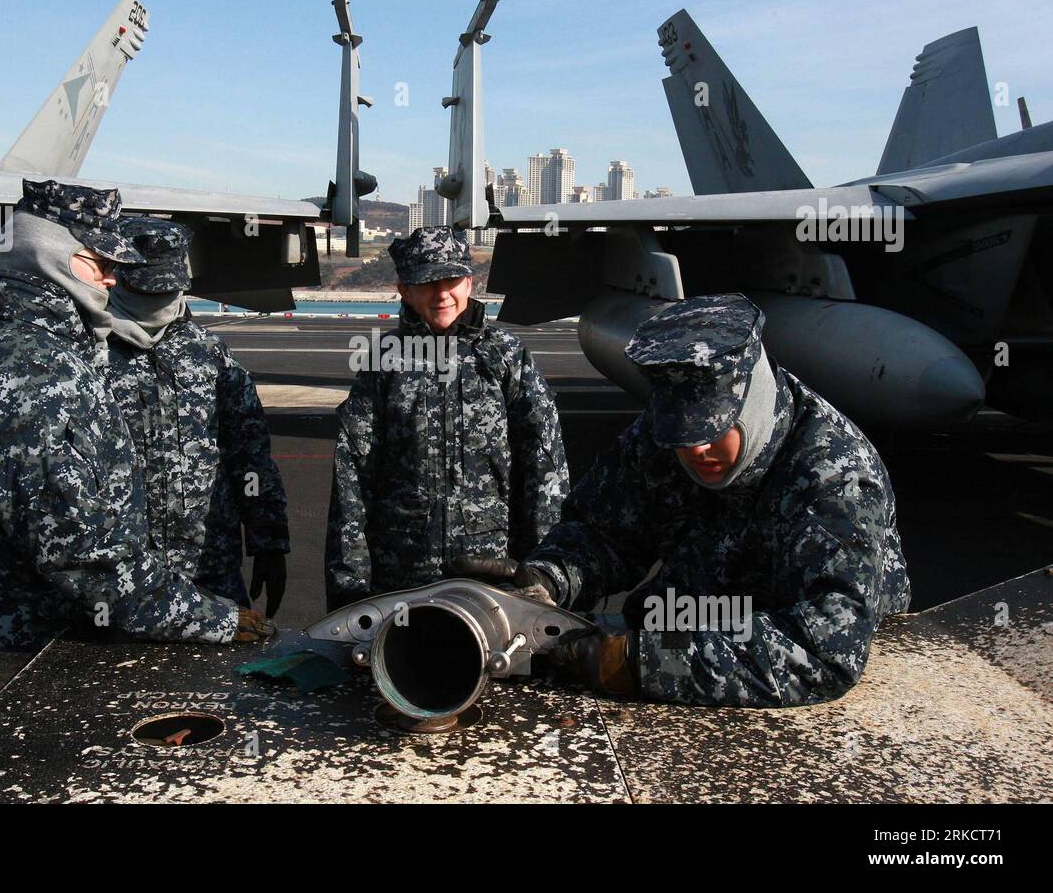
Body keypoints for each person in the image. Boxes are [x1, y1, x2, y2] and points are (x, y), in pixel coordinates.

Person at [461, 293, 911, 707]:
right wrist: (547, 579)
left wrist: (634, 663)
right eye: (678, 434)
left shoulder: (835, 475)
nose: (693, 451)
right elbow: (605, 532)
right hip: (683, 621)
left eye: (709, 431)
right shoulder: (668, 436)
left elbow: (824, 652)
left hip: (772, 664)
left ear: (753, 401)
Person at [0, 179, 273, 651]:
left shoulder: (35, 346)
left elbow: (248, 450)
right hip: (40, 658)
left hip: (59, 641)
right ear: (48, 255)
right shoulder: (34, 368)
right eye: (98, 264)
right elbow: (75, 549)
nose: (111, 279)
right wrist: (212, 619)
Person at [324, 225, 570, 610]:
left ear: (470, 282)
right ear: (404, 290)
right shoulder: (383, 361)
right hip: (402, 577)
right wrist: (350, 590)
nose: (442, 294)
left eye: (451, 280)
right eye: (426, 283)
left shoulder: (506, 356)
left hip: (492, 574)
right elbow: (353, 476)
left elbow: (544, 467)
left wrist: (543, 571)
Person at [105, 216, 289, 617]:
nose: (158, 300)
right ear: (118, 275)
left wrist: (268, 541)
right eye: (146, 286)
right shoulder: (88, 355)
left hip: (209, 568)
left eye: (167, 288)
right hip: (120, 574)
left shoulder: (209, 355)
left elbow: (250, 454)